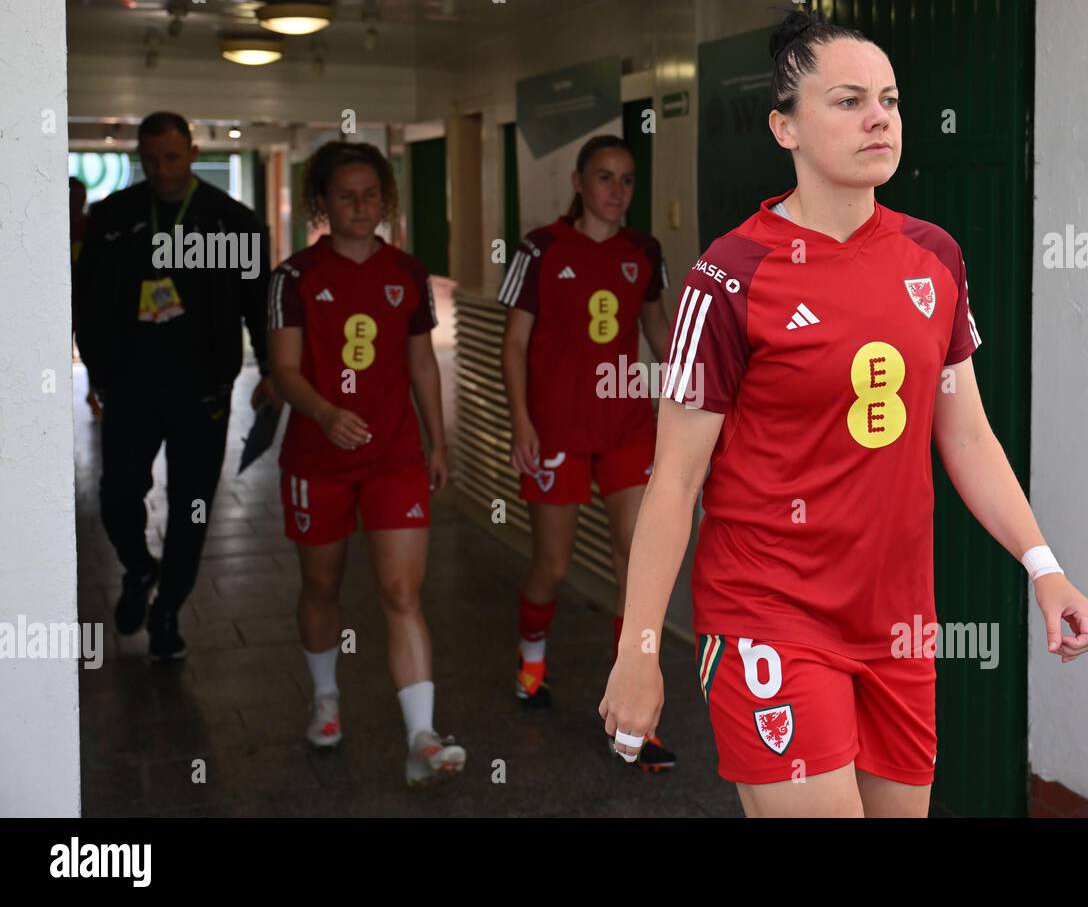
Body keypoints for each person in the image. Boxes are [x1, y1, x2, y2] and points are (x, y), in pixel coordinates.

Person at [600, 10, 1088, 816]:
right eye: (848, 100)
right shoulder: (728, 277)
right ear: (783, 126)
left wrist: (1045, 568)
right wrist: (639, 649)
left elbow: (965, 433)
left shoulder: (933, 256)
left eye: (891, 100)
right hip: (770, 615)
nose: (879, 118)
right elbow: (674, 479)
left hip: (898, 626)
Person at [266, 140, 465, 786]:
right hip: (316, 459)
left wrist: (437, 440)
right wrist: (325, 413)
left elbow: (420, 363)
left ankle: (421, 738)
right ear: (321, 202)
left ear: (388, 199)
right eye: (346, 195)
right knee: (322, 586)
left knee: (402, 593)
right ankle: (325, 698)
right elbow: (284, 370)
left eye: (372, 194)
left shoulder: (406, 272)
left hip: (393, 458)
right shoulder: (294, 277)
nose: (361, 207)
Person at [498, 135, 677, 772]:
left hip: (627, 425)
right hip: (559, 431)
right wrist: (521, 420)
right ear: (578, 181)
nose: (617, 190)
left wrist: (689, 385)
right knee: (552, 564)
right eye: (604, 177)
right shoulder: (540, 248)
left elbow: (656, 328)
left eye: (627, 180)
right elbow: (514, 342)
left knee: (637, 562)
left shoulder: (642, 251)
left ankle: (631, 714)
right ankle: (532, 659)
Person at [74, 111, 277, 662]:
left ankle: (168, 611)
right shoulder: (114, 218)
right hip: (131, 391)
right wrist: (100, 373)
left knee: (191, 508)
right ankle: (139, 568)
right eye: (150, 159)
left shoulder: (230, 222)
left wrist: (271, 371)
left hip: (201, 393)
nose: (161, 170)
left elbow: (259, 306)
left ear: (191, 151)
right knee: (116, 495)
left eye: (171, 157)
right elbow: (86, 302)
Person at [69, 176, 101, 417]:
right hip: (64, 301)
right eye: (73, 198)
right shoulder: (53, 226)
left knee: (91, 349)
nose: (77, 202)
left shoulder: (91, 227)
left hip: (86, 300)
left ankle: (93, 392)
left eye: (80, 198)